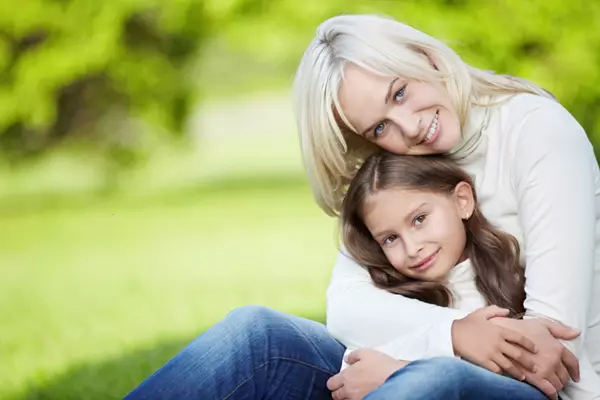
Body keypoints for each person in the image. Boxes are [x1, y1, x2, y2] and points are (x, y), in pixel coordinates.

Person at [123, 13, 600, 400]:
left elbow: (550, 350)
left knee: (429, 382)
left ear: (425, 56)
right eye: (378, 128)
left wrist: (400, 368)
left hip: (550, 389)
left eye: (400, 92)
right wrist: (453, 334)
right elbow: (348, 305)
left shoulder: (536, 131)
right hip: (439, 360)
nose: (407, 128)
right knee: (257, 336)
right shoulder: (398, 164)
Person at [335, 150, 600, 398]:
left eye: (419, 219)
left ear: (462, 201)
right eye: (391, 238)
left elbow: (546, 366)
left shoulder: (513, 274)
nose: (412, 248)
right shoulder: (395, 299)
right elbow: (356, 371)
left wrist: (397, 371)